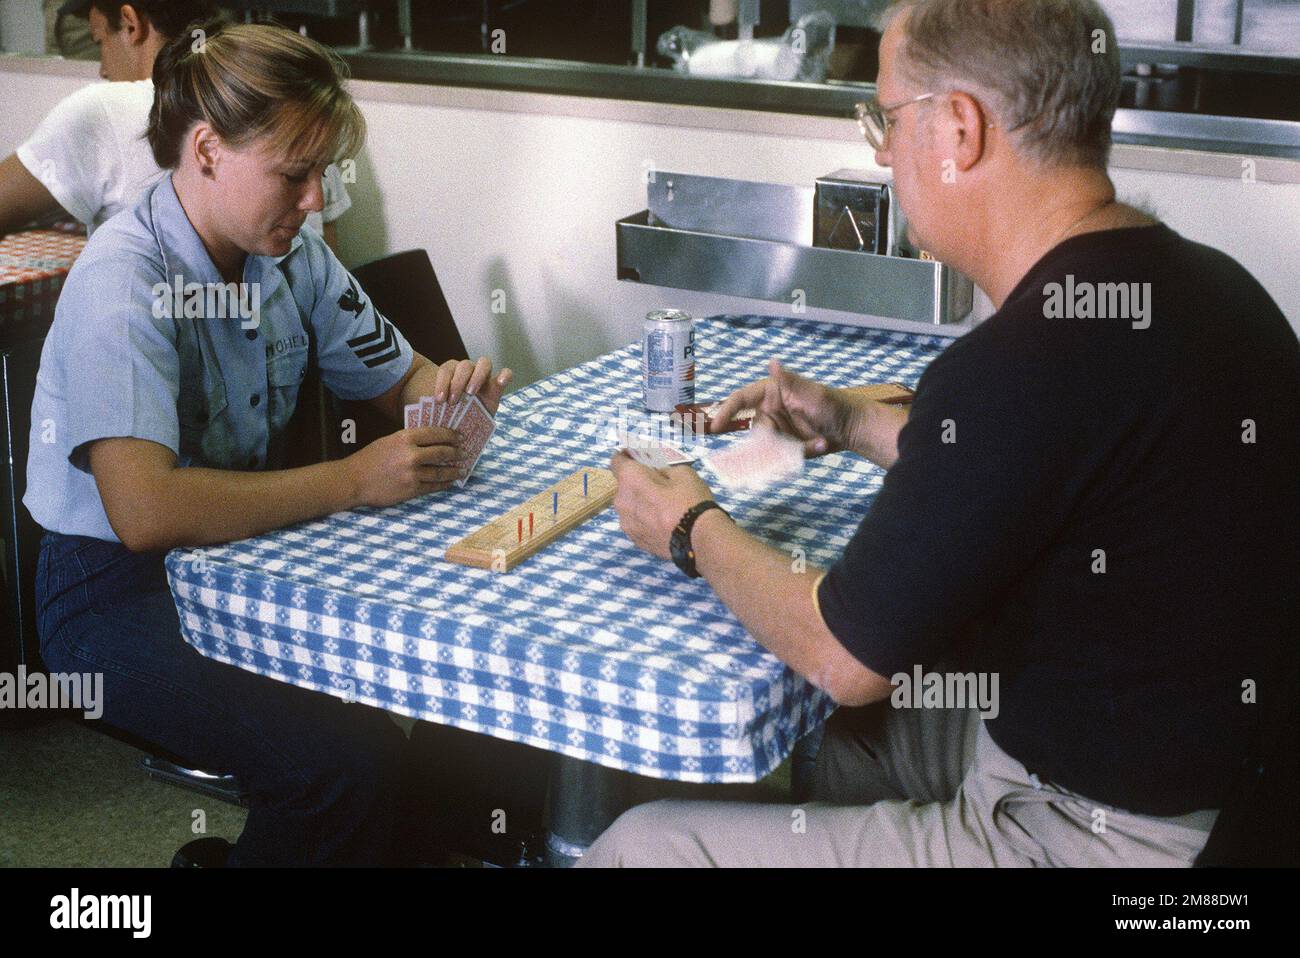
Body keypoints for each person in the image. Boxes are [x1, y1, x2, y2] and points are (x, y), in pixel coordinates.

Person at [585, 0, 1299, 867]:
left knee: (642, 846)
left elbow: (840, 651)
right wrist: (849, 421)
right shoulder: (1211, 289)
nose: (882, 155)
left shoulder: (1024, 362)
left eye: (887, 119)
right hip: (1224, 787)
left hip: (1111, 843)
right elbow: (1045, 470)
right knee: (851, 746)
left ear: (958, 129)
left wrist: (691, 528)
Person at [27, 18, 512, 866]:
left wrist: (455, 395)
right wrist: (357, 480)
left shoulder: (290, 255)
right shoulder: (123, 279)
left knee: (455, 703)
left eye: (321, 172)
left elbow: (404, 380)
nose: (317, 199)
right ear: (207, 150)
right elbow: (144, 511)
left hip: (245, 556)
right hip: (108, 598)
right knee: (341, 766)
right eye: (295, 174)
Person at [0, 1, 352, 253]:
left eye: (100, 43)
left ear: (130, 22)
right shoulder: (295, 104)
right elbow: (333, 260)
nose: (102, 69)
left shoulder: (104, 108)